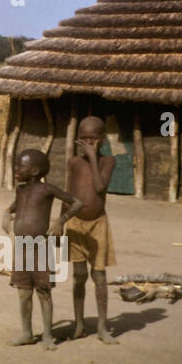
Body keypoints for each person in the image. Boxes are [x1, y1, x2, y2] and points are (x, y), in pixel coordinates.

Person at [3, 149, 83, 350]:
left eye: (21, 166)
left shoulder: (47, 189)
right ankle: (27, 333)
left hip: (41, 246)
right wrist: (6, 214)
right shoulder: (20, 190)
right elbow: (14, 207)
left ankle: (47, 335)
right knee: (23, 293)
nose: (16, 169)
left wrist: (60, 220)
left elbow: (77, 203)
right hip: (21, 247)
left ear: (35, 170)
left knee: (44, 291)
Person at [66, 116, 119, 343]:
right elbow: (67, 194)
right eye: (84, 138)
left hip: (98, 223)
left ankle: (102, 326)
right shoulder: (73, 163)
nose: (88, 143)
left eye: (93, 139)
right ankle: (79, 324)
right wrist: (60, 221)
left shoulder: (108, 161)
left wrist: (92, 159)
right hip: (75, 224)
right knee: (78, 276)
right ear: (78, 139)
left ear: (102, 140)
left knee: (99, 276)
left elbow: (99, 187)